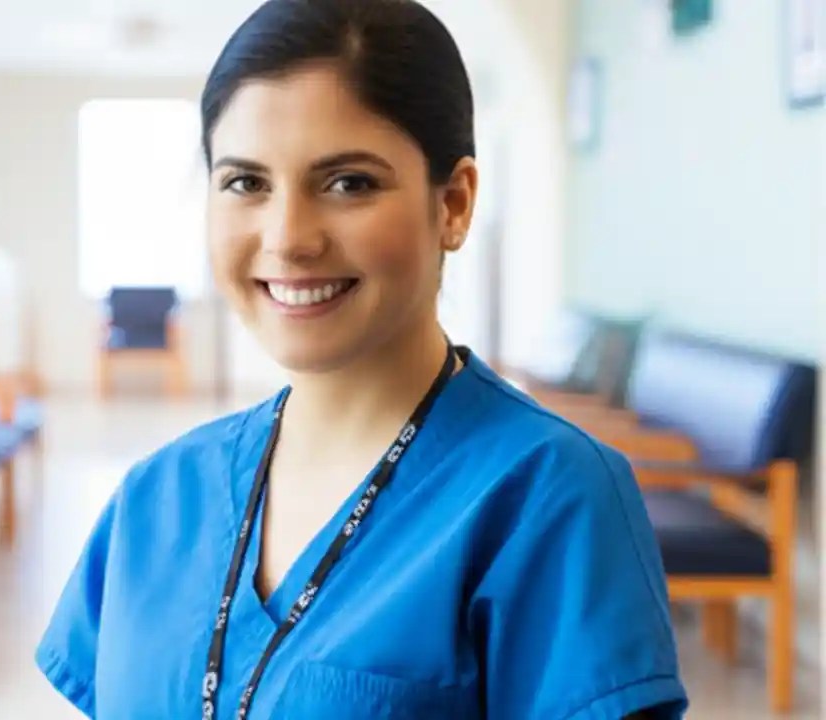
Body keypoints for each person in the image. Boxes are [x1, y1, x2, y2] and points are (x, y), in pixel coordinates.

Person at [36, 0, 689, 717]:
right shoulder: (159, 499)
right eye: (246, 182)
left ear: (454, 204)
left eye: (348, 182)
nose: (288, 238)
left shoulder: (547, 496)